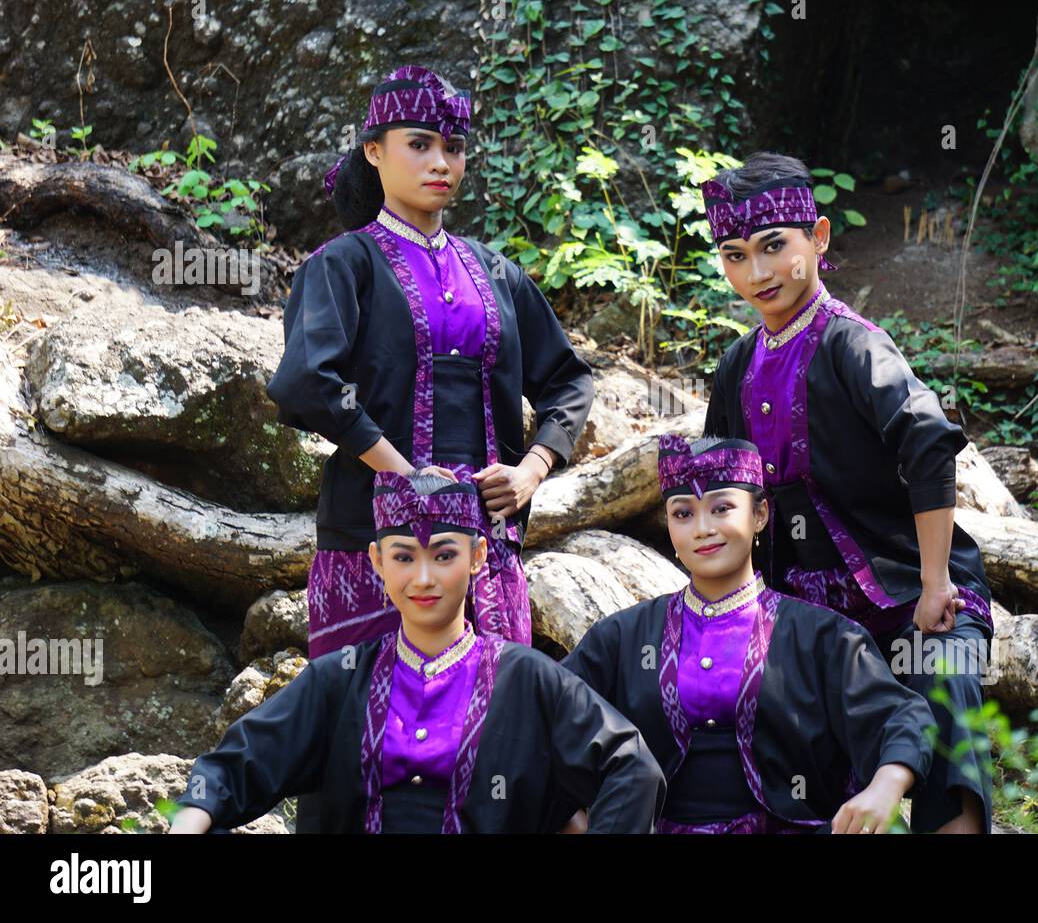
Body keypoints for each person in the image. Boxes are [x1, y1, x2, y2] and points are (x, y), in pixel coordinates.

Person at [700, 151, 996, 833]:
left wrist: (931, 584)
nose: (759, 273)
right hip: (803, 616)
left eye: (775, 247)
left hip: (909, 597)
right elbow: (720, 487)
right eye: (736, 255)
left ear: (820, 238)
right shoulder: (736, 367)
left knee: (944, 698)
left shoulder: (856, 347)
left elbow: (928, 443)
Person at [267, 64, 593, 659]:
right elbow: (309, 381)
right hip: (373, 543)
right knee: (368, 722)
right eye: (419, 145)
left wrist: (532, 470)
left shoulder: (498, 274)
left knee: (489, 728)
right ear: (374, 151)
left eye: (455, 147)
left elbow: (567, 378)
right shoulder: (343, 265)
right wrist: (402, 473)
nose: (441, 162)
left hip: (484, 546)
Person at [169, 471, 665, 834]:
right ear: (377, 563)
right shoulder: (340, 679)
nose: (423, 579)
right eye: (404, 557)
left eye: (444, 554)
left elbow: (632, 766)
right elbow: (236, 764)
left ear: (476, 558)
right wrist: (189, 821)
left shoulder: (527, 678)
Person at [560, 435, 936, 833]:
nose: (702, 529)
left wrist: (887, 784)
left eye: (721, 508)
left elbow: (902, 717)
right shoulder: (622, 637)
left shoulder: (822, 637)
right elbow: (542, 717)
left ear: (760, 515)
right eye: (682, 514)